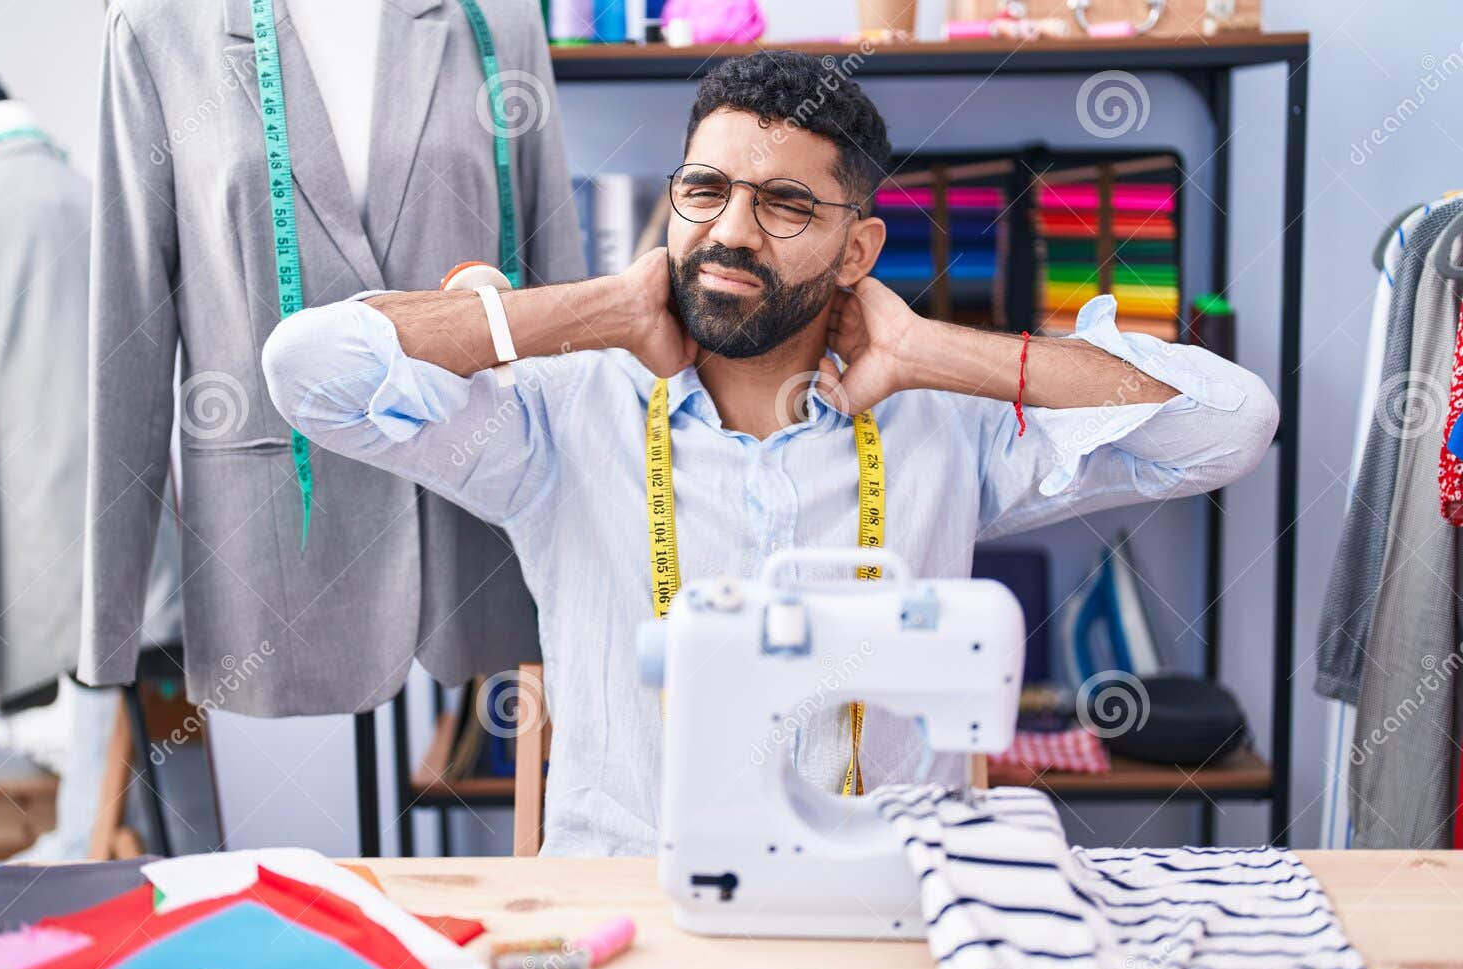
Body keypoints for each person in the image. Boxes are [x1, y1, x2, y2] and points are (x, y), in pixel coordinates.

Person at [262, 50, 1280, 856]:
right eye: (704, 190)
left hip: (880, 885)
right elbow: (307, 365)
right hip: (634, 895)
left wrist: (930, 348)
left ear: (858, 251)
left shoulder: (941, 419)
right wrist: (598, 307)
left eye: (786, 205)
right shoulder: (560, 415)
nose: (731, 232)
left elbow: (1229, 422)